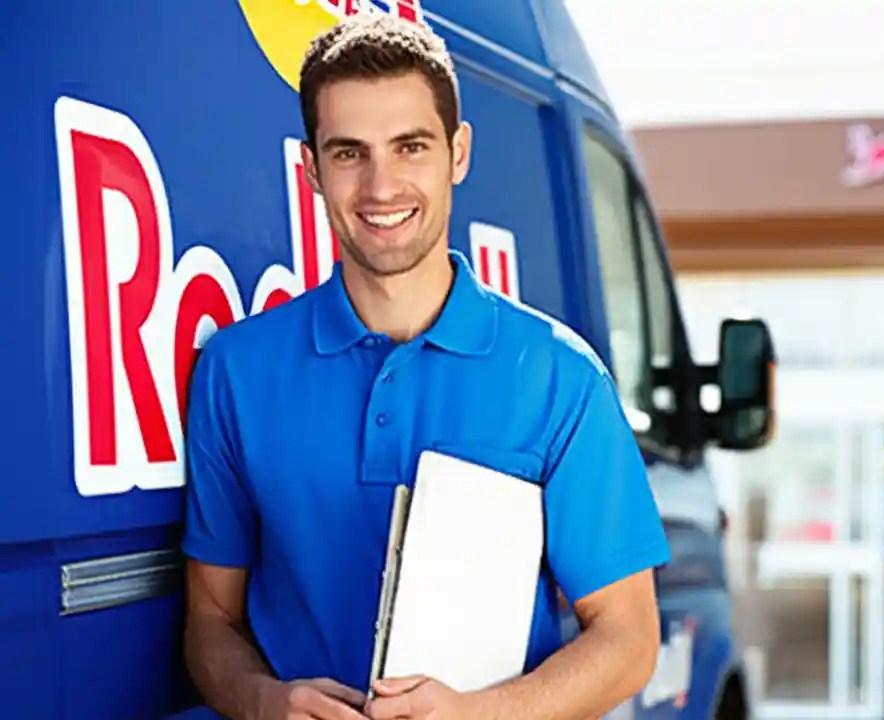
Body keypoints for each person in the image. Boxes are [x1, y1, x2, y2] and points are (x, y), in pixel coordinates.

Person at [181, 11, 670, 720]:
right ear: (311, 167)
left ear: (458, 153)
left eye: (410, 147)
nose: (381, 186)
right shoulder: (236, 371)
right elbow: (210, 622)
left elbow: (628, 639)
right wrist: (261, 700)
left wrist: (482, 714)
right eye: (349, 152)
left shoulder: (560, 378)